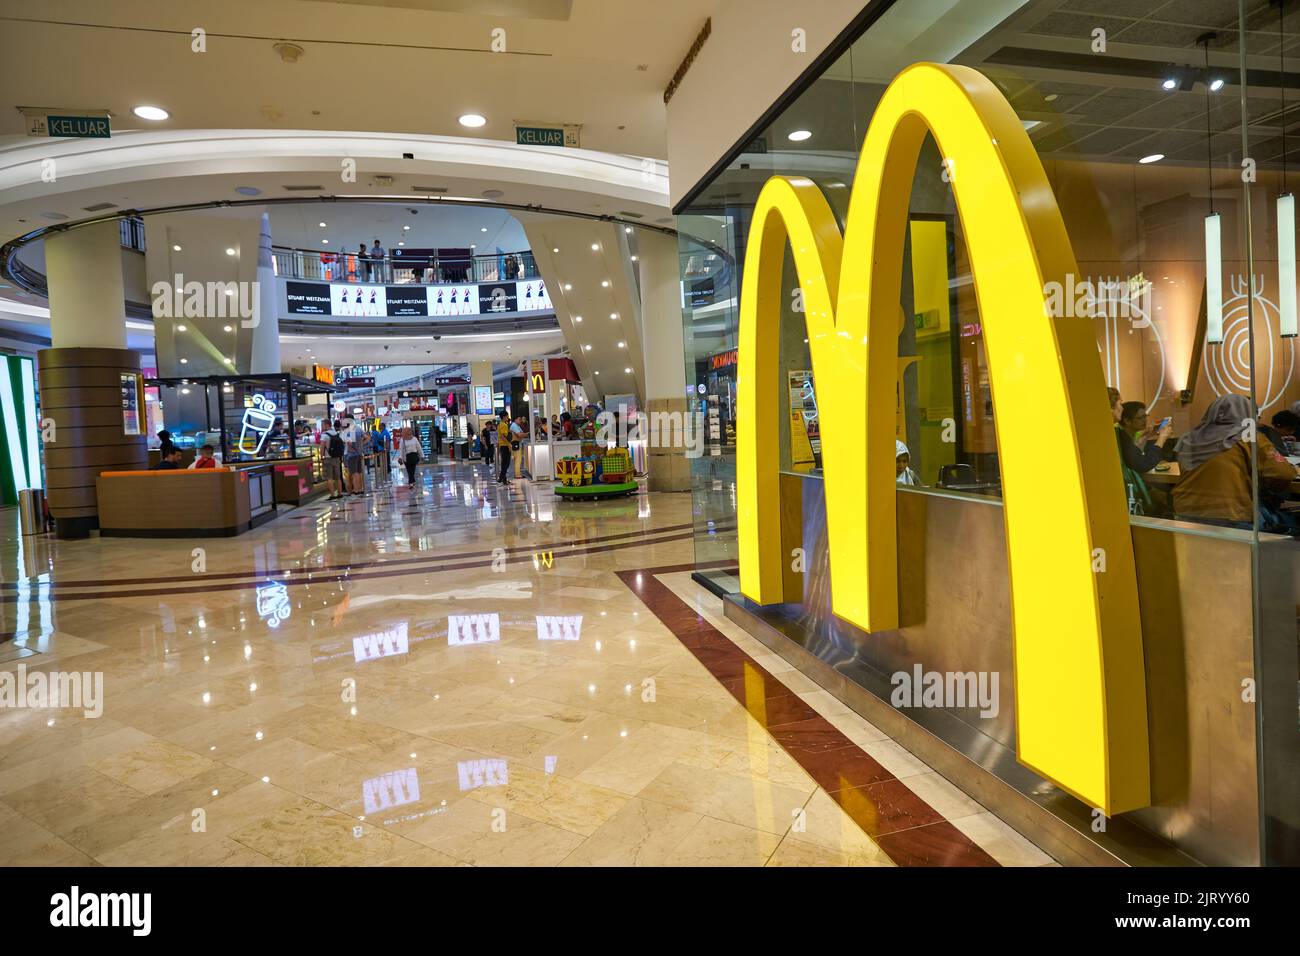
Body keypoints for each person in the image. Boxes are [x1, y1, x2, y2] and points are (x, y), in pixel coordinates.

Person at [1172, 394, 1297, 527]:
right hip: (1231, 515)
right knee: (1291, 524)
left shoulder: (1190, 438)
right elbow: (1284, 473)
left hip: (1185, 512)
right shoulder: (1249, 436)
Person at [1115, 402, 1175, 515]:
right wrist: (1162, 438)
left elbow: (1135, 454)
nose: (1145, 420)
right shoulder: (1122, 439)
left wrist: (1147, 435)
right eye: (1141, 417)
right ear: (1127, 421)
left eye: (1145, 416)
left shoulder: (1123, 435)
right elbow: (1143, 464)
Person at [340, 417, 366, 496]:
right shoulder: (358, 429)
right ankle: (360, 488)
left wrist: (352, 449)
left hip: (351, 455)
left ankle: (356, 490)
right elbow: (367, 438)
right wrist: (360, 446)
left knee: (353, 473)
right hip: (359, 453)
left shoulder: (349, 431)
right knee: (359, 472)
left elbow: (349, 443)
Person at [322, 419, 345, 499]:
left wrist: (322, 457)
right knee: (338, 477)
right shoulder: (336, 433)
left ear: (326, 425)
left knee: (329, 477)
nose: (322, 427)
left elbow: (322, 447)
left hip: (328, 458)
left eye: (323, 425)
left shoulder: (324, 435)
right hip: (336, 457)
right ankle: (340, 493)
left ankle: (332, 494)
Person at [496, 415, 514, 484]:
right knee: (506, 463)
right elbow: (503, 436)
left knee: (504, 463)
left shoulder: (500, 424)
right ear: (503, 417)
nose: (507, 417)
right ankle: (501, 478)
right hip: (505, 446)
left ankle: (504, 479)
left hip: (502, 445)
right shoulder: (504, 425)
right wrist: (508, 444)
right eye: (506, 416)